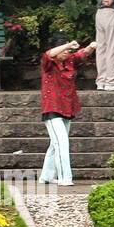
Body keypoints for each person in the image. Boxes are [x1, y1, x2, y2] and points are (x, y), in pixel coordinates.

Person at [40, 34, 96, 186]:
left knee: (55, 143)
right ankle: (65, 178)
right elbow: (49, 54)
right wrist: (68, 44)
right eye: (64, 49)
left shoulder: (70, 60)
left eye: (68, 50)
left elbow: (82, 54)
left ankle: (46, 176)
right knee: (62, 143)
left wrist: (91, 47)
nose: (67, 52)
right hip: (52, 109)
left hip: (67, 107)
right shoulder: (48, 63)